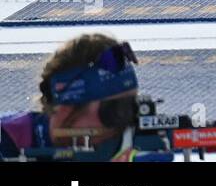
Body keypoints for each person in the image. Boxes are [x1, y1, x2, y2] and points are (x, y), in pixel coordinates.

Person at [1, 34, 148, 162]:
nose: (128, 123)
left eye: (133, 106)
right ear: (65, 108)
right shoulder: (10, 140)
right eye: (116, 110)